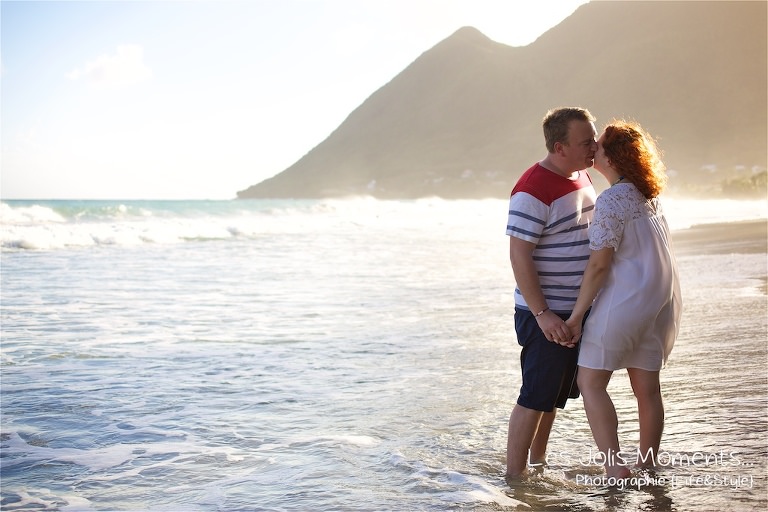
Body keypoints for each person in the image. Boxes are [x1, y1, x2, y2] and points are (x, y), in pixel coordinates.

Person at [563, 120, 682, 480]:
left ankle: (615, 467)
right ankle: (647, 463)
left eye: (598, 144)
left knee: (590, 382)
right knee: (647, 388)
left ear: (612, 157)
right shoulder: (648, 193)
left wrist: (575, 316)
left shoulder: (612, 199)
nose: (593, 149)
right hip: (660, 301)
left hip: (625, 301)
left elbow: (600, 265)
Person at [505, 107, 598, 478]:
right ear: (560, 147)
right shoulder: (532, 188)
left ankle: (538, 463)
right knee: (534, 396)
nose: (595, 146)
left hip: (575, 311)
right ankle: (513, 480)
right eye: (585, 141)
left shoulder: (581, 174)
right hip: (547, 314)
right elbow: (519, 255)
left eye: (593, 137)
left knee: (554, 397)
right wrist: (544, 315)